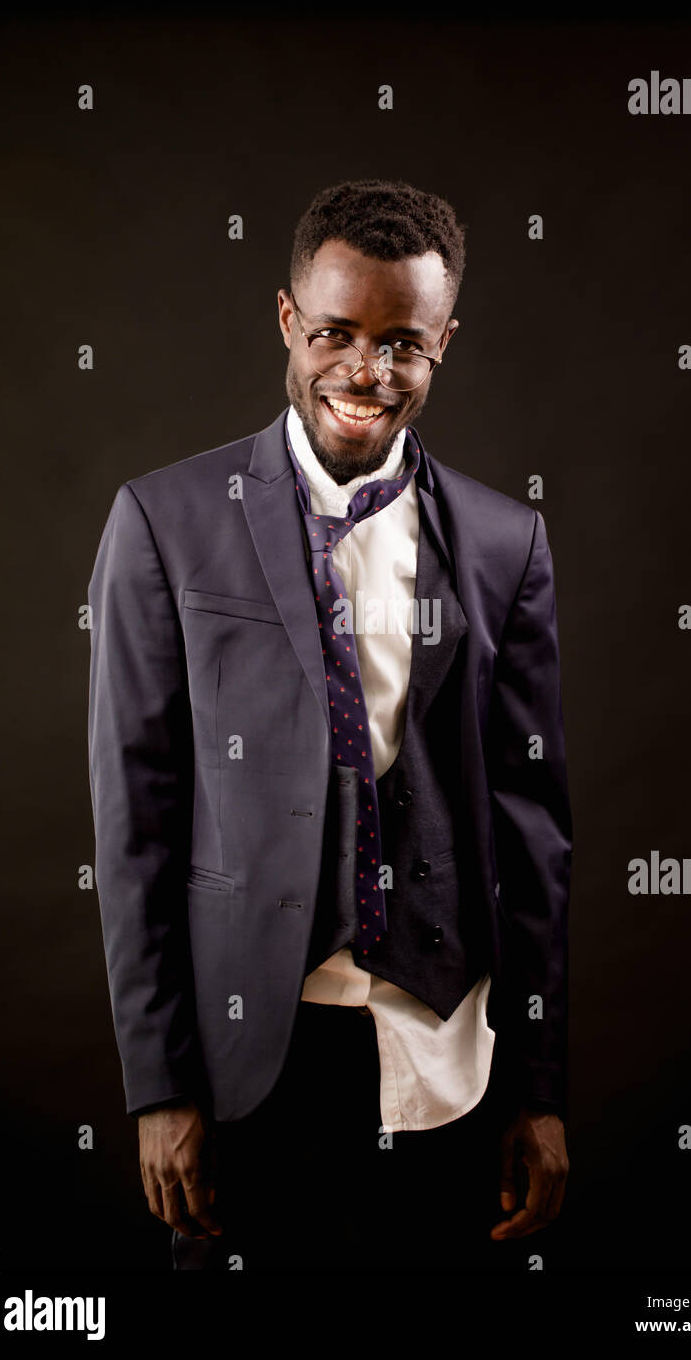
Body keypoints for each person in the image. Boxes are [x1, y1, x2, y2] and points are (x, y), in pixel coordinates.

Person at [87, 177, 573, 1271]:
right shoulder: (163, 523)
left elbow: (532, 834)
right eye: (334, 334)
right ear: (284, 321)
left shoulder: (506, 543)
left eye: (403, 341)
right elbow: (136, 828)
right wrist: (158, 1083)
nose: (366, 371)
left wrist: (537, 1086)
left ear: (444, 340)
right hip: (245, 1052)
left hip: (446, 1052)